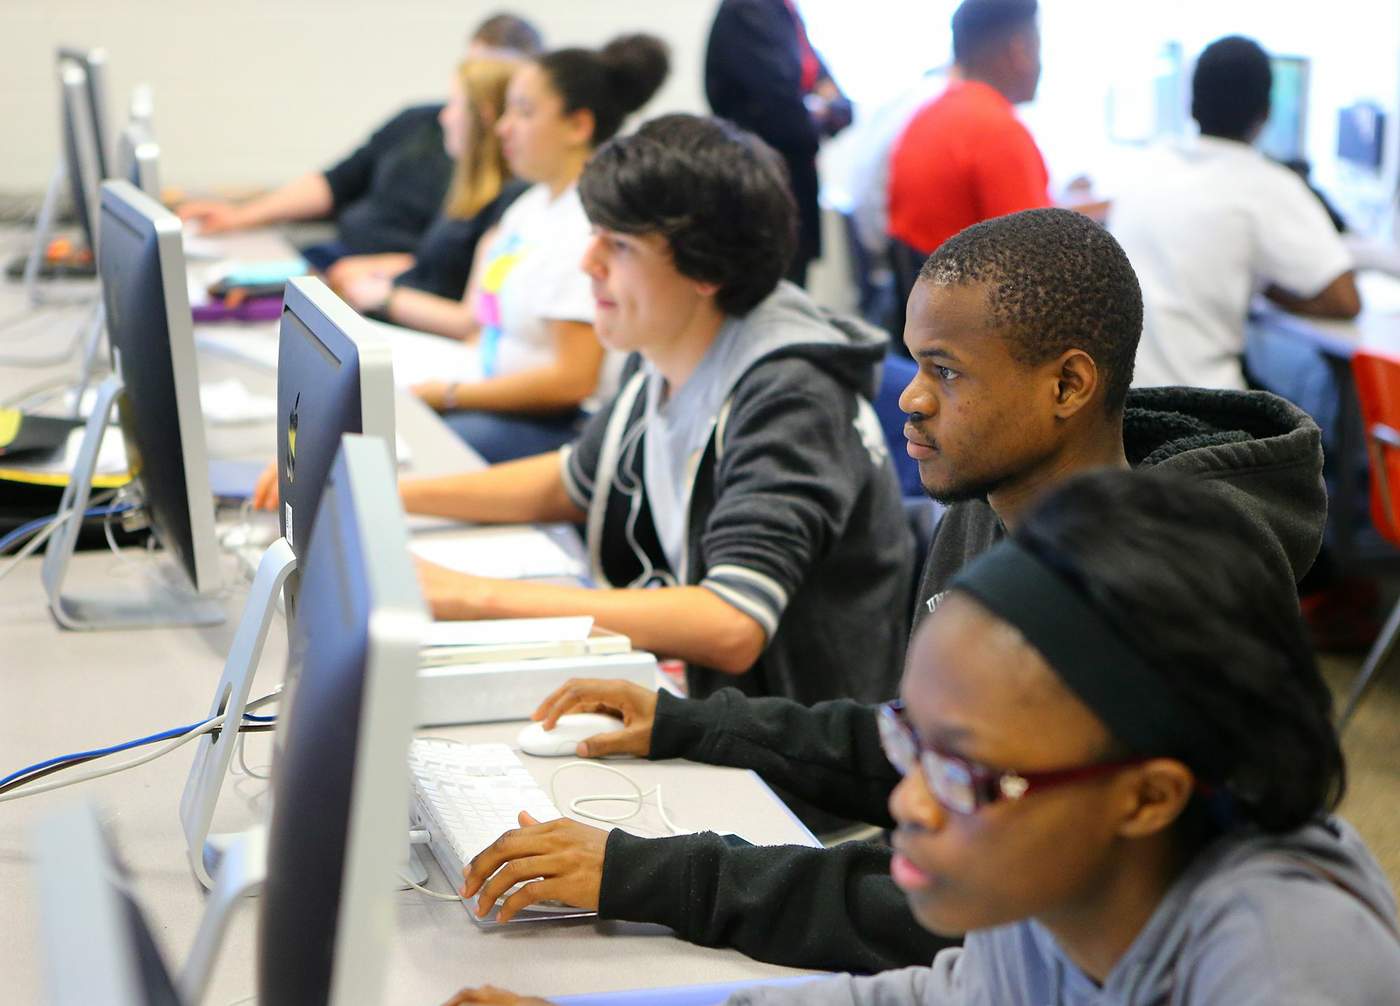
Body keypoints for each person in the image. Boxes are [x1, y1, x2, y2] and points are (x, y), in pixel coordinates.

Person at [430, 208, 1329, 977]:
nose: (911, 401)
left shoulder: (1144, 598)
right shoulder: (997, 499)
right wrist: (687, 723)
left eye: (947, 372)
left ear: (1067, 384)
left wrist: (650, 875)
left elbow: (961, 904)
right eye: (915, 365)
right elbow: (927, 749)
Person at [444, 470, 1400, 1006]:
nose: (902, 804)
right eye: (912, 745)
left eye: (962, 774)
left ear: (1146, 797)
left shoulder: (1287, 964)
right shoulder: (1056, 883)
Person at [402, 113, 912, 709]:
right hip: (710, 704)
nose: (588, 263)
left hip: (789, 753)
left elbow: (730, 623)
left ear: (708, 269)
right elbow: (574, 480)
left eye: (618, 245)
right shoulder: (672, 338)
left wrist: (470, 599)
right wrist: (389, 496)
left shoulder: (791, 390)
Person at [390, 35, 670, 462]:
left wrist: (451, 394)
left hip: (558, 425)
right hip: (491, 393)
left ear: (578, 125)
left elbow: (572, 380)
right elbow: (485, 322)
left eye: (523, 111)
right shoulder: (531, 206)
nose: (502, 127)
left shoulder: (589, 225)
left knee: (410, 448)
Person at [177, 13, 543, 266]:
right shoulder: (419, 121)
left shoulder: (516, 182)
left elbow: (450, 270)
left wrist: (383, 284)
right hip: (336, 259)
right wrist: (240, 217)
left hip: (374, 284)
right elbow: (336, 182)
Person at [1109, 35, 1361, 392]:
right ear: (1266, 112)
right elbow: (1345, 299)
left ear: (1191, 104)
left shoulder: (1148, 164)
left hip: (1120, 405)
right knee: (1310, 405)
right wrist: (1265, 287)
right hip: (1203, 408)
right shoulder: (1265, 182)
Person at [327, 57, 528, 307]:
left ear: (483, 116)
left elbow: (470, 318)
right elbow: (432, 267)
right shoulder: (468, 192)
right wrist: (377, 271)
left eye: (455, 104)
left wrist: (385, 298)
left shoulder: (510, 202)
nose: (444, 117)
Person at [886, 0, 1048, 259]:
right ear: (1020, 51)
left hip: (932, 293)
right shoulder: (999, 132)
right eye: (1039, 45)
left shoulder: (924, 117)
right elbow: (1036, 261)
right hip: (974, 296)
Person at [704, 0, 850, 286]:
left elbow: (840, 105)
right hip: (765, 189)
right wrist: (817, 109)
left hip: (791, 184)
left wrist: (816, 108)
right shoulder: (750, 10)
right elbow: (782, 112)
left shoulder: (785, 11)